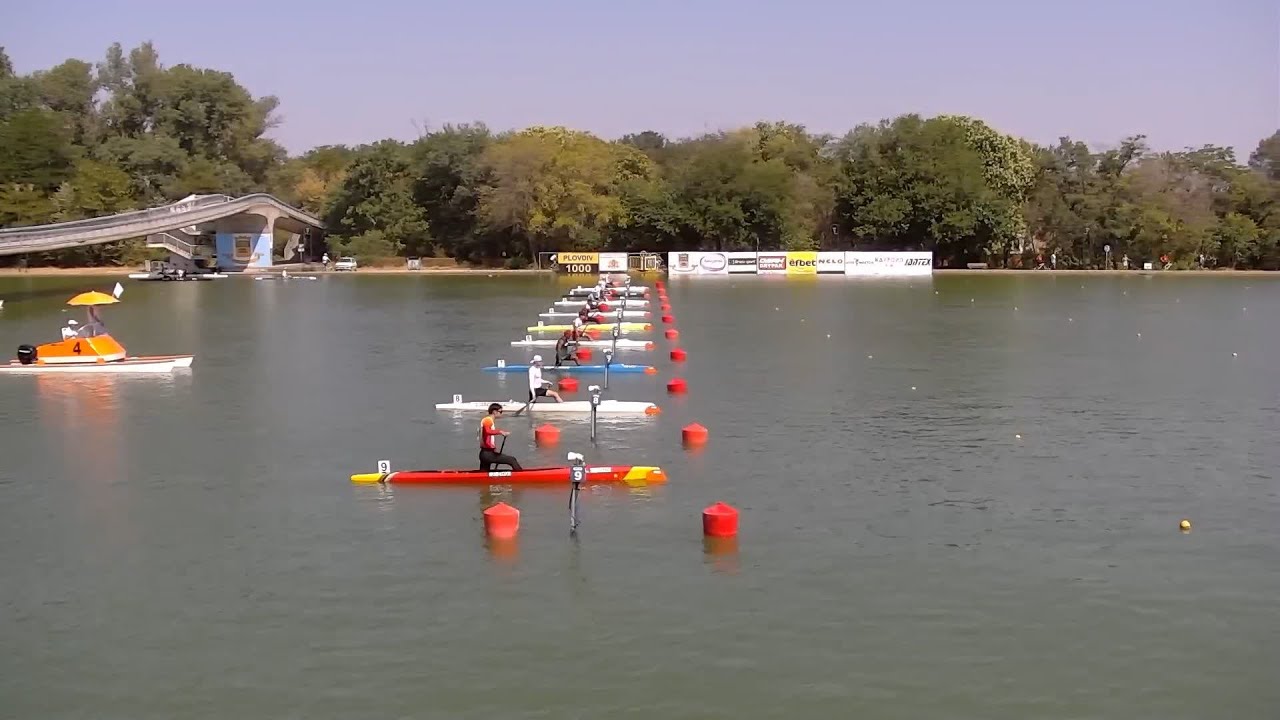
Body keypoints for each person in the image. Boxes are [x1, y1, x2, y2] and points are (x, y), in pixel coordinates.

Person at [478, 403, 522, 471]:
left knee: (483, 475)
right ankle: (521, 476)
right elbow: (487, 431)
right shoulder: (487, 420)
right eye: (500, 412)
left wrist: (493, 448)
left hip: (485, 453)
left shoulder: (488, 420)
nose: (501, 414)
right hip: (487, 454)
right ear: (494, 412)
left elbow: (486, 436)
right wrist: (501, 432)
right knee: (512, 460)